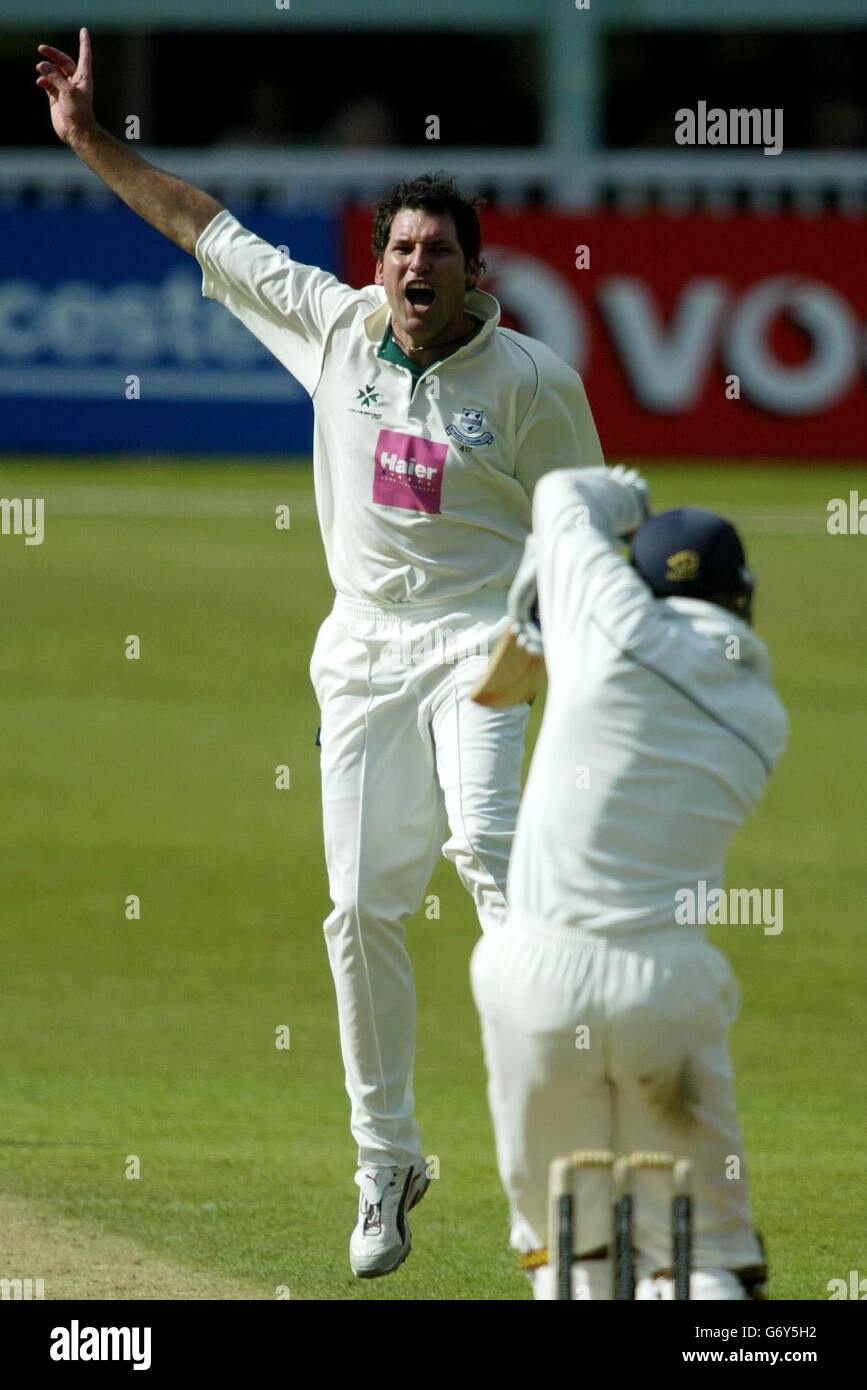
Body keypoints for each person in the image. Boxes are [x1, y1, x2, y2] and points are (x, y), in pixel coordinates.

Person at [36, 29, 605, 1279]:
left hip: (482, 642)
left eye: (437, 252)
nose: (414, 267)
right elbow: (200, 224)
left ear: (474, 273)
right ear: (379, 262)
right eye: (400, 249)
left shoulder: (531, 382)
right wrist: (89, 139)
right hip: (359, 655)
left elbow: (587, 526)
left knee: (491, 857)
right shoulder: (335, 326)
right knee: (358, 909)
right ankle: (385, 1160)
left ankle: (560, 1155)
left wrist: (577, 658)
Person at [471, 466, 788, 1299]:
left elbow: (560, 493)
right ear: (739, 596)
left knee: (571, 1256)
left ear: (637, 584)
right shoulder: (762, 716)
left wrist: (622, 512)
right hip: (663, 992)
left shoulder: (607, 621)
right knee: (699, 1259)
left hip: (534, 983)